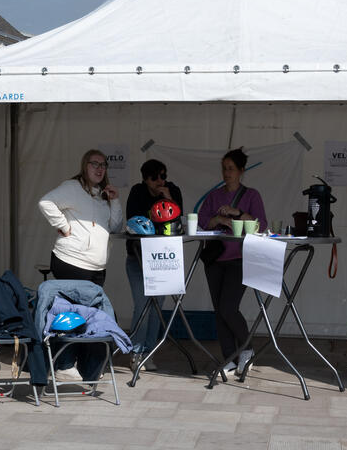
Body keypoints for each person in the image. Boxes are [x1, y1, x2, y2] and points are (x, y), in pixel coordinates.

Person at [197, 147, 267, 376]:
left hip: (240, 258)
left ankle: (246, 349)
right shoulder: (214, 196)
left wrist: (237, 213)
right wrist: (218, 218)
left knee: (229, 307)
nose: (226, 173)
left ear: (241, 171)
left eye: (231, 169)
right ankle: (229, 356)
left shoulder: (252, 195)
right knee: (219, 310)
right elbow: (202, 221)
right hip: (215, 259)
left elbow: (260, 226)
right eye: (224, 169)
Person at [125, 159, 183, 371]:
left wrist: (168, 198)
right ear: (144, 178)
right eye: (155, 177)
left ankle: (150, 351)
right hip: (138, 258)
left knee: (157, 307)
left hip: (163, 259)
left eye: (163, 176)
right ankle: (136, 352)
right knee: (142, 305)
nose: (160, 181)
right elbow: (133, 222)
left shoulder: (172, 190)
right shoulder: (137, 192)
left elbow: (178, 221)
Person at [38, 149, 124, 285]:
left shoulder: (102, 194)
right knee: (77, 306)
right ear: (85, 166)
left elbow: (115, 227)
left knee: (92, 306)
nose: (99, 168)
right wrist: (63, 226)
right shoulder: (73, 187)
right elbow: (45, 203)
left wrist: (114, 201)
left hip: (97, 267)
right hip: (72, 261)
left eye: (103, 165)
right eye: (95, 164)